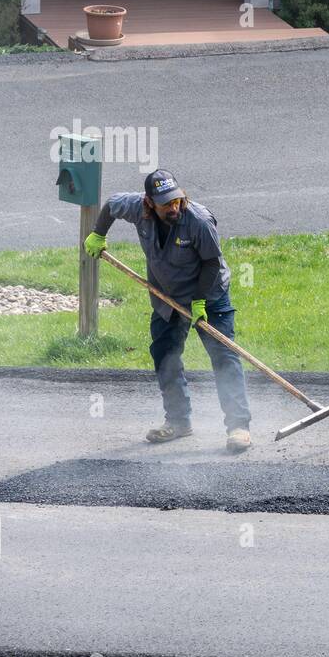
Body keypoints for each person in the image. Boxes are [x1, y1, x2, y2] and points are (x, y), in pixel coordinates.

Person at [82, 170, 252, 453]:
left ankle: (239, 426)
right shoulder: (137, 207)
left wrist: (199, 302)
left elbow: (211, 263)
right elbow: (111, 204)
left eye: (176, 201)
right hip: (167, 296)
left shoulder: (198, 220)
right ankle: (178, 421)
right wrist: (98, 234)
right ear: (149, 203)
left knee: (223, 356)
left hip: (208, 295)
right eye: (165, 204)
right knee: (164, 353)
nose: (173, 207)